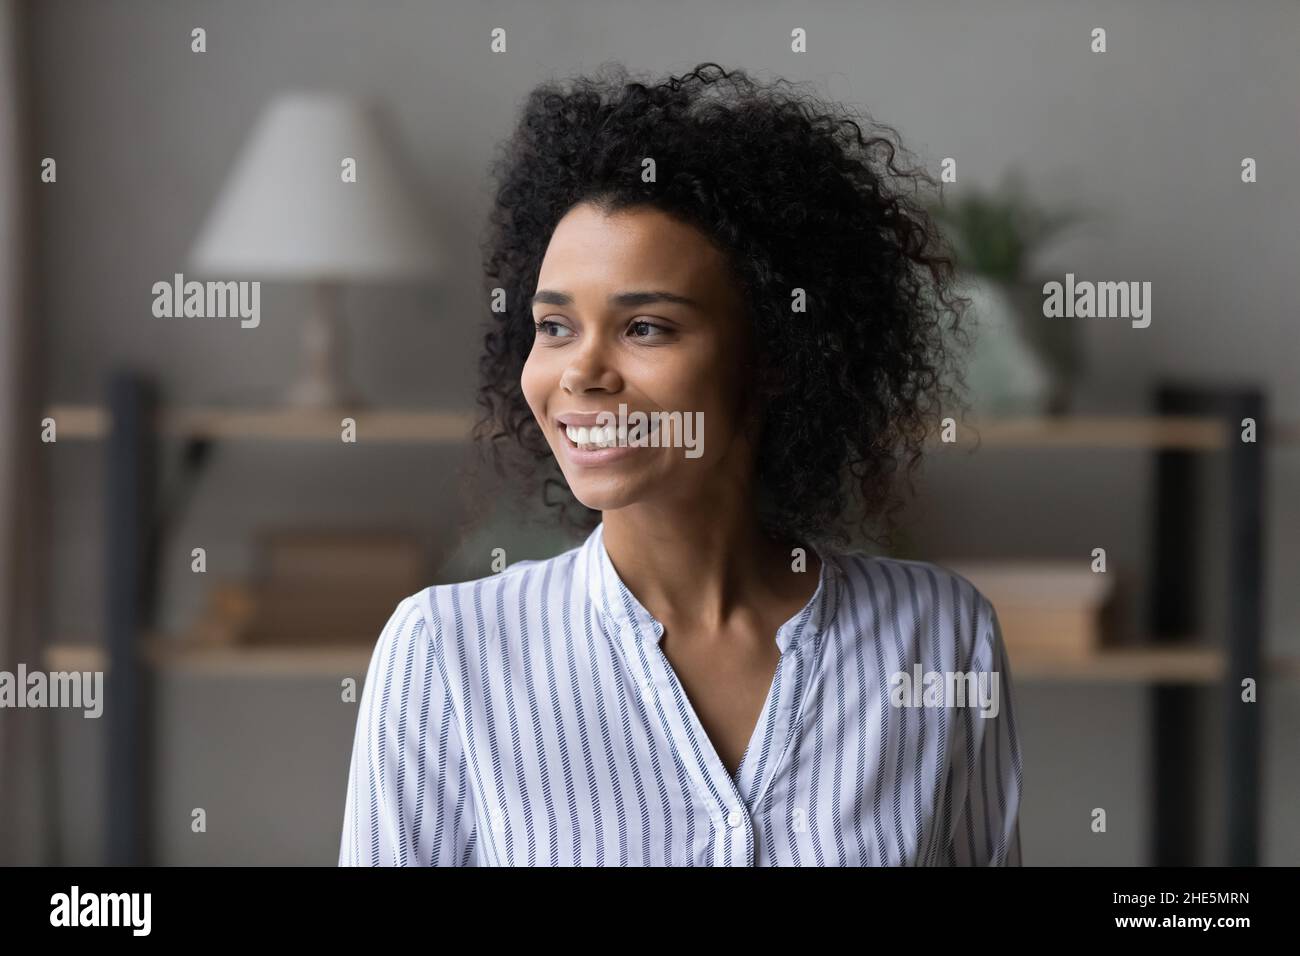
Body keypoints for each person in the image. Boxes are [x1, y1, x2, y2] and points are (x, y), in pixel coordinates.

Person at [339, 62, 1022, 866]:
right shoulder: (444, 653)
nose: (580, 374)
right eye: (555, 327)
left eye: (646, 329)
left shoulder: (940, 637)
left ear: (773, 356)